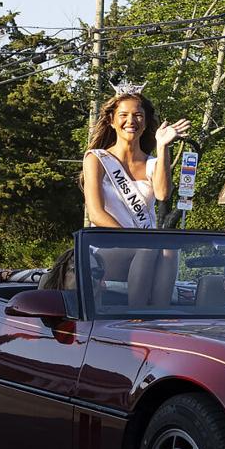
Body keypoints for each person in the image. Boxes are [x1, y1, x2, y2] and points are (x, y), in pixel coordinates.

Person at [81, 85, 189, 308]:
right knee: (149, 248)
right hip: (107, 247)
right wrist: (132, 239)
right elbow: (96, 213)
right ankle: (136, 318)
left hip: (146, 247)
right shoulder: (97, 159)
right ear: (111, 121)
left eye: (138, 115)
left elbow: (163, 194)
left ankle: (158, 318)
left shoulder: (153, 163)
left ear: (146, 122)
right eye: (123, 115)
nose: (131, 120)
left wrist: (162, 147)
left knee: (169, 249)